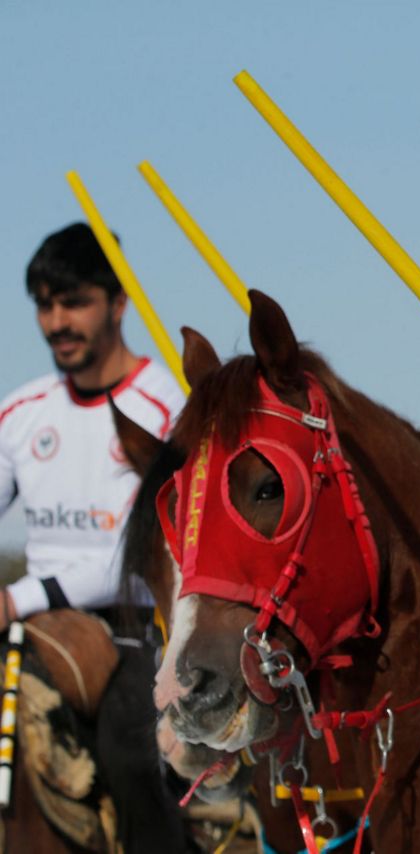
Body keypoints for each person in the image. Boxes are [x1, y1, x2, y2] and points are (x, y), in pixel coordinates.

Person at [0, 222, 187, 851]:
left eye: (74, 301)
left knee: (133, 759)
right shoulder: (22, 412)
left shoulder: (165, 406)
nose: (57, 322)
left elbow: (134, 557)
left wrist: (17, 600)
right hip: (28, 622)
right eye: (45, 306)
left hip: (133, 633)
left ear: (118, 303)